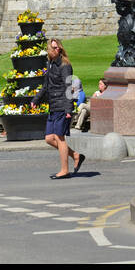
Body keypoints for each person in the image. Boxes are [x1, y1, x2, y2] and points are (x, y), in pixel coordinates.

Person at [33, 38, 85, 179]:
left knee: (59, 137)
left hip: (62, 105)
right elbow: (46, 85)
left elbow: (70, 88)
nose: (56, 50)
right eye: (53, 48)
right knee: (49, 138)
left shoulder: (64, 65)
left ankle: (64, 170)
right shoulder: (50, 64)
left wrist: (69, 109)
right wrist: (36, 99)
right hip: (53, 105)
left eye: (58, 48)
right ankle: (75, 155)